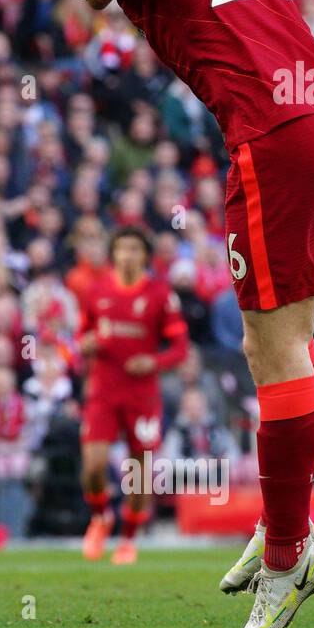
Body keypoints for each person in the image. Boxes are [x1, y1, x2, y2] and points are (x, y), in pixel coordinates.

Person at [41, 0, 314, 628]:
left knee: (273, 357)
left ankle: (287, 559)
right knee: (285, 342)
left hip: (276, 140)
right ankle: (287, 521)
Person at [75, 226, 187, 566]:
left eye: (133, 249)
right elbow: (82, 334)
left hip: (142, 395)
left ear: (144, 256)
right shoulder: (97, 291)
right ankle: (100, 517)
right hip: (103, 391)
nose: (126, 255)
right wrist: (86, 343)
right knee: (93, 466)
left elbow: (180, 348)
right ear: (113, 254)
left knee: (140, 473)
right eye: (121, 249)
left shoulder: (160, 295)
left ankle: (127, 539)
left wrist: (153, 361)